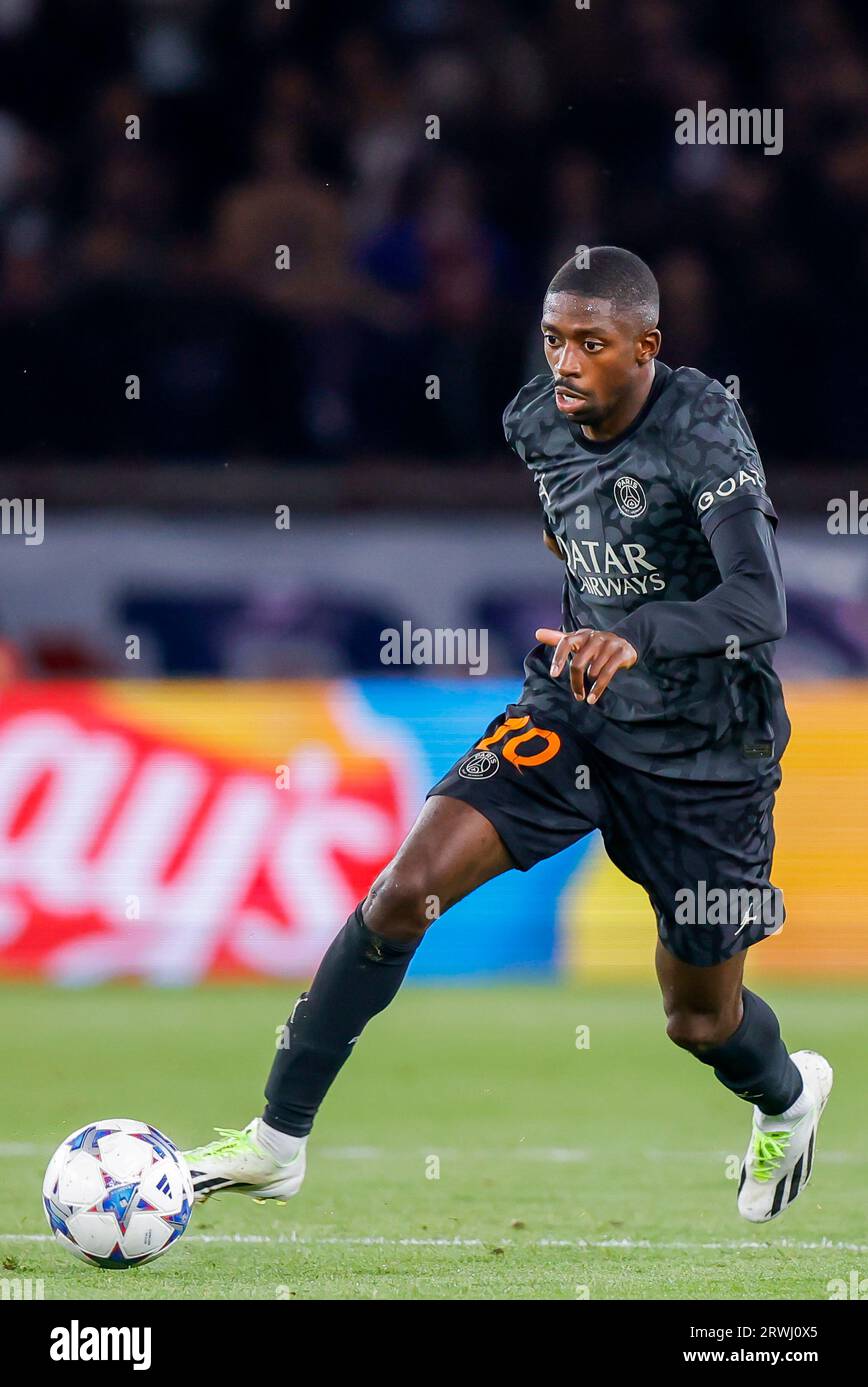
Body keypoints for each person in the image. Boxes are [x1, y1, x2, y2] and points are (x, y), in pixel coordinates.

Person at [185, 246, 831, 1224]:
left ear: (645, 347)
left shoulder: (700, 428)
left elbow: (760, 598)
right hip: (573, 711)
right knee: (404, 890)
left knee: (698, 1020)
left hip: (707, 755)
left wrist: (637, 632)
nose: (564, 363)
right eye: (552, 340)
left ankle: (785, 1096)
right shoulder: (536, 421)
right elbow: (576, 535)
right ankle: (276, 1142)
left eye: (590, 343)